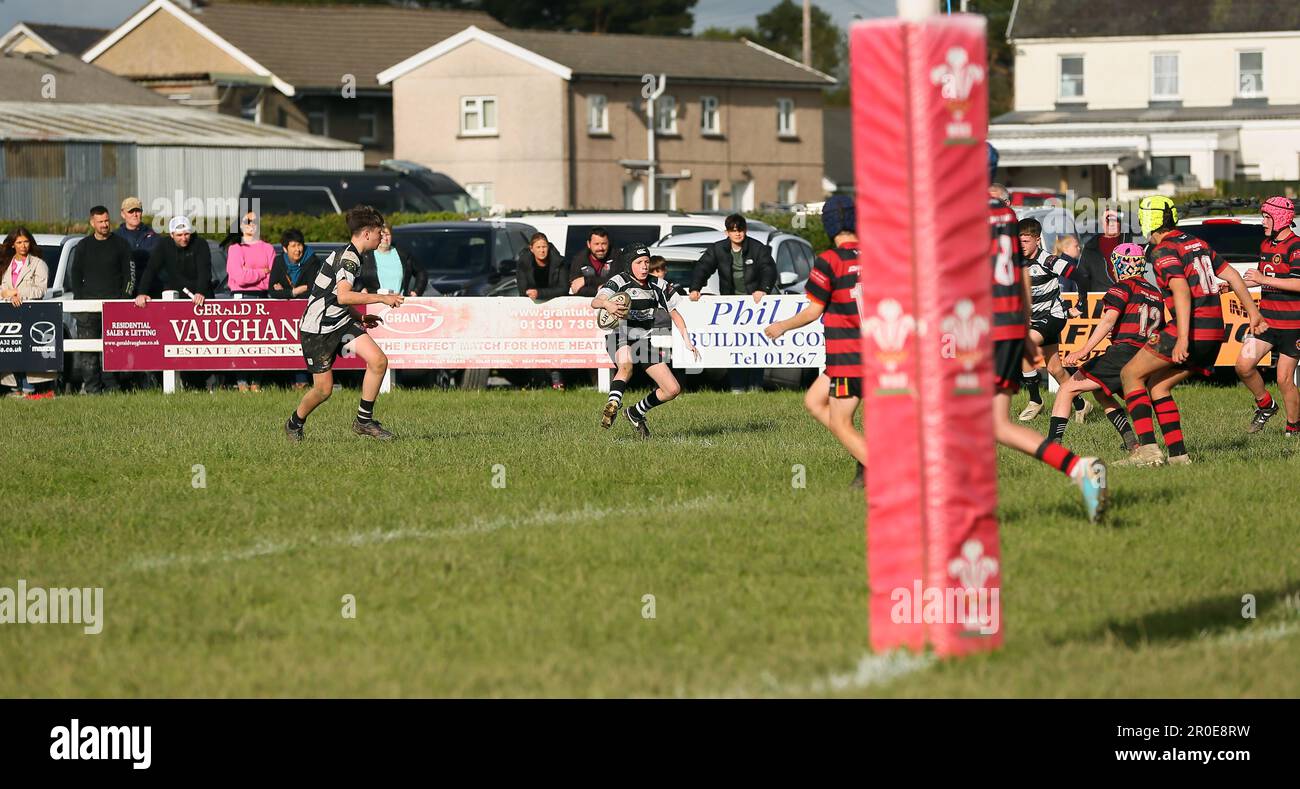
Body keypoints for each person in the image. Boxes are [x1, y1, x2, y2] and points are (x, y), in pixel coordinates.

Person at [986, 143, 1107, 522]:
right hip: (1007, 324)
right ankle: (1078, 467)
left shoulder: (964, 213)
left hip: (985, 327)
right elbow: (1017, 273)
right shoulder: (1004, 217)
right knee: (997, 422)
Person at [1117, 195, 1267, 466]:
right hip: (1214, 331)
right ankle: (1179, 456)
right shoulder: (1197, 242)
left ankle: (1147, 452)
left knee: (1130, 374)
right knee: (1158, 386)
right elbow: (1232, 275)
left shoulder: (1163, 251)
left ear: (1148, 220)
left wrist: (1182, 337)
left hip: (1192, 328)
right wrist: (1254, 313)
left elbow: (1181, 291)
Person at [763, 195, 866, 487]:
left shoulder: (830, 261)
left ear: (829, 224)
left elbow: (813, 310)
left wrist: (782, 326)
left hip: (849, 352)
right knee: (813, 401)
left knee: (841, 422)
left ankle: (879, 468)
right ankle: (864, 455)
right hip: (877, 350)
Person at [285, 205, 404, 442]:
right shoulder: (349, 258)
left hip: (339, 322)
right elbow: (343, 296)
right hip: (317, 330)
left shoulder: (353, 255)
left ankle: (363, 421)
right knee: (323, 390)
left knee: (378, 361)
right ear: (367, 233)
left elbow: (335, 298)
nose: (382, 236)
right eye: (379, 231)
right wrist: (382, 297)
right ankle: (293, 423)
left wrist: (359, 317)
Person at [1052, 244, 1163, 449]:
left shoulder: (1122, 287)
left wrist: (1083, 350)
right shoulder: (1155, 293)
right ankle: (1132, 443)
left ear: (1118, 265)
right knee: (1101, 392)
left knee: (1068, 388)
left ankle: (1051, 447)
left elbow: (1108, 320)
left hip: (1124, 353)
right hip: (1145, 356)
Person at [591, 244, 699, 438]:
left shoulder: (658, 285)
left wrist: (687, 339)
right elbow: (596, 301)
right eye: (639, 262)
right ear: (629, 264)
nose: (644, 266)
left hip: (643, 342)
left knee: (672, 389)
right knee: (626, 365)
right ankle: (613, 403)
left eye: (647, 262)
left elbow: (674, 313)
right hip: (620, 334)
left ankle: (635, 412)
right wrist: (607, 303)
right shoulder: (620, 281)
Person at [689, 213, 776, 392]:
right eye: (733, 231)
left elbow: (769, 269)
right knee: (734, 346)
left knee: (756, 345)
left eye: (740, 230)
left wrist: (763, 289)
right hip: (731, 307)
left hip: (755, 306)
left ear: (745, 231)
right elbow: (703, 267)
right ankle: (737, 387)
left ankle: (755, 386)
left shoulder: (758, 248)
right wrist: (695, 288)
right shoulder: (717, 249)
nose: (737, 234)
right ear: (726, 232)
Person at [1238, 197, 1300, 435]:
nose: (1263, 222)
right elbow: (1262, 277)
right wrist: (1236, 286)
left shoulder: (1296, 247)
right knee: (1243, 366)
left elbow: (1297, 283)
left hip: (1293, 326)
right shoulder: (1266, 244)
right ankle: (1266, 405)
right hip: (1266, 323)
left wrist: (1262, 279)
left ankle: (1293, 428)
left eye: (1267, 217)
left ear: (1281, 219)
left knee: (1284, 379)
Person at [1016, 217, 1087, 421]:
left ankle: (1035, 400)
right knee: (1055, 368)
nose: (1021, 246)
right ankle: (1082, 404)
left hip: (1053, 317)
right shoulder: (1015, 263)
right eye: (1018, 241)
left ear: (1037, 240)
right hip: (1032, 321)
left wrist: (1078, 305)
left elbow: (1081, 277)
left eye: (1026, 241)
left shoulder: (1049, 261)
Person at [67, 205, 132, 394]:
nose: (105, 225)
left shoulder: (121, 244)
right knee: (88, 354)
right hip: (88, 308)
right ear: (92, 223)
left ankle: (113, 389)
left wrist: (124, 299)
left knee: (114, 351)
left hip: (115, 307)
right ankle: (92, 390)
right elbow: (75, 274)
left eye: (106, 220)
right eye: (101, 221)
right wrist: (80, 301)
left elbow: (130, 275)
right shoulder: (83, 246)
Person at [0, 228, 54, 398]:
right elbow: (2, 289)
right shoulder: (5, 264)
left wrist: (17, 294)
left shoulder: (38, 264)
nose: (23, 246)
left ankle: (28, 388)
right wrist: (6, 294)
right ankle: (16, 387)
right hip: (8, 314)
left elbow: (40, 290)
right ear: (13, 245)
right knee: (12, 350)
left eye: (26, 242)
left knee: (29, 352)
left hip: (31, 313)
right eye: (19, 242)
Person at [226, 210, 276, 391]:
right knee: (241, 340)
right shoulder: (234, 248)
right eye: (247, 221)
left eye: (254, 221)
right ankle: (241, 382)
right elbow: (239, 278)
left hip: (262, 297)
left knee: (260, 340)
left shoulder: (268, 248)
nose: (251, 225)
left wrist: (250, 273)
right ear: (240, 225)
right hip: (241, 297)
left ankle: (256, 381)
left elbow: (272, 280)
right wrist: (262, 272)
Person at [517, 232, 569, 390]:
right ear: (531, 249)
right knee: (532, 346)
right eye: (538, 247)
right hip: (532, 312)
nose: (542, 250)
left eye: (544, 246)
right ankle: (533, 381)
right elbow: (522, 289)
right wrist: (532, 295)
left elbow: (563, 289)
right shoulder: (524, 262)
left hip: (555, 311)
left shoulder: (559, 262)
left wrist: (540, 294)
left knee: (554, 345)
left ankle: (556, 378)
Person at [133, 216, 213, 307]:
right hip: (177, 296)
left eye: (186, 234)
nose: (184, 238)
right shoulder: (164, 245)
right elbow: (151, 269)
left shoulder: (200, 244)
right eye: (179, 235)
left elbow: (204, 271)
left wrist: (200, 292)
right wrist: (142, 292)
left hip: (201, 296)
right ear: (172, 234)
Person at [356, 225, 425, 296]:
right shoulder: (365, 256)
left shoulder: (403, 255)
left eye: (387, 235)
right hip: (375, 303)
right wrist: (361, 288)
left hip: (400, 303)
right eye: (382, 235)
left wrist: (416, 291)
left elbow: (421, 272)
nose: (385, 238)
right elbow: (353, 275)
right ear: (376, 236)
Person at [115, 196, 158, 298]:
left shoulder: (153, 236)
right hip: (124, 293)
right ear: (122, 214)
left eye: (137, 211)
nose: (135, 214)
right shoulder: (115, 237)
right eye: (131, 211)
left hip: (149, 292)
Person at [268, 229, 322, 301]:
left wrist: (283, 293)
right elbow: (272, 291)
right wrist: (294, 292)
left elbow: (313, 291)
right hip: (284, 307)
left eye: (299, 245)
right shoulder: (279, 261)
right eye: (293, 246)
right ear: (285, 249)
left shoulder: (313, 262)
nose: (297, 249)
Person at [568, 227, 619, 297]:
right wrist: (598, 290)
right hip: (584, 305)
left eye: (604, 243)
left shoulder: (617, 256)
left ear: (608, 243)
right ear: (589, 244)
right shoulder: (579, 259)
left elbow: (616, 280)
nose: (600, 248)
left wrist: (586, 280)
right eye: (596, 244)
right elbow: (575, 287)